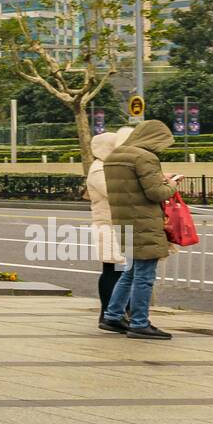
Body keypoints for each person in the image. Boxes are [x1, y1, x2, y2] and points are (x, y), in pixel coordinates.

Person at [100, 120, 180, 340]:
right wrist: (173, 184)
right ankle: (139, 323)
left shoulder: (114, 156)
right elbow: (156, 193)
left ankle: (113, 315)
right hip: (145, 223)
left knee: (130, 272)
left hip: (125, 221)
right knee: (144, 276)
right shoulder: (145, 157)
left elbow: (133, 187)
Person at [86, 127, 132, 323]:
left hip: (117, 224)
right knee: (112, 270)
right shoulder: (98, 169)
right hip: (107, 225)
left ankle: (119, 311)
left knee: (122, 270)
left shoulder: (109, 167)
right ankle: (107, 313)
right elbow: (113, 192)